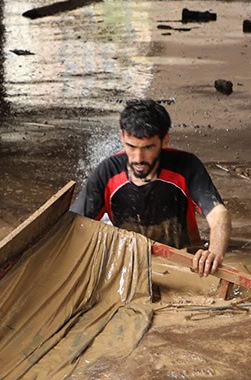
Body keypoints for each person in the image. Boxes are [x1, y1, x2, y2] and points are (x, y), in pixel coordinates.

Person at [71, 98, 231, 276]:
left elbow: (219, 215)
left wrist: (214, 253)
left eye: (148, 148)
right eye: (131, 147)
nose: (138, 158)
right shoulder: (107, 172)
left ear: (164, 141)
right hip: (130, 264)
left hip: (184, 262)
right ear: (122, 137)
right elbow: (74, 224)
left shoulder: (186, 166)